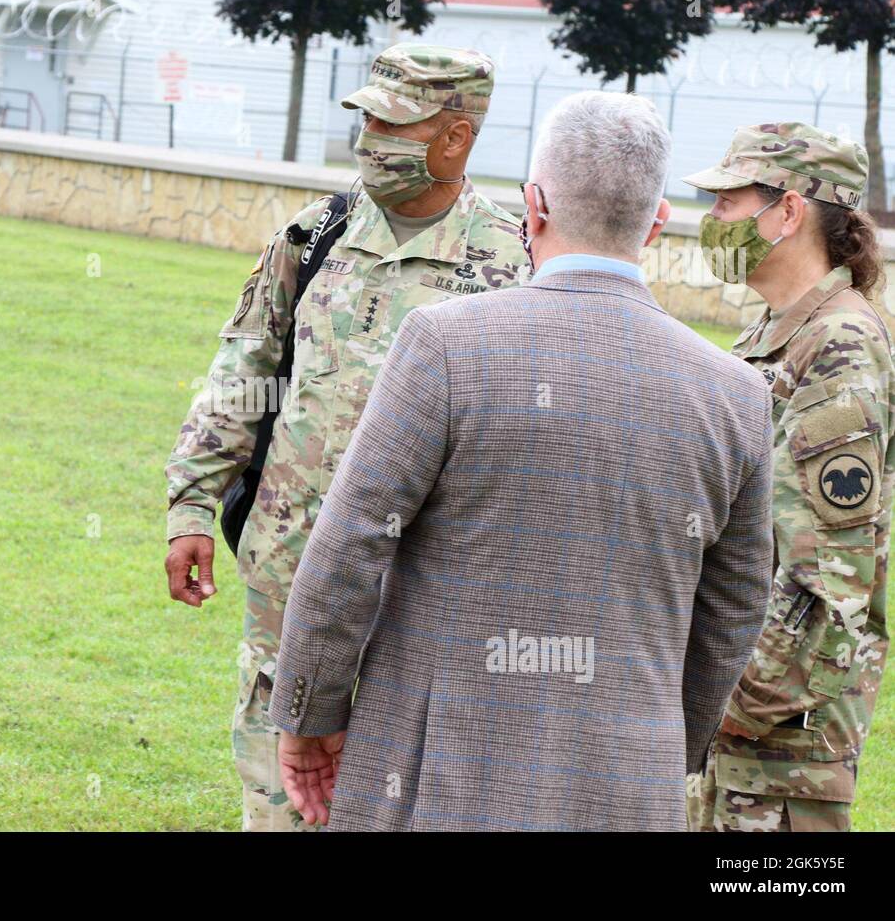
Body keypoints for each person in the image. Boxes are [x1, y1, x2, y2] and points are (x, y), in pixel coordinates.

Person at [269, 91, 775, 831]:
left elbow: (349, 545)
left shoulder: (447, 345)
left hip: (435, 782)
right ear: (658, 221)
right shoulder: (736, 394)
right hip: (628, 790)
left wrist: (309, 714)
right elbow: (734, 612)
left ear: (532, 207)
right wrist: (661, 747)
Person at [163, 43, 529, 831]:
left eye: (394, 124)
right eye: (364, 118)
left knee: (408, 796)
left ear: (455, 137)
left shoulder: (512, 261)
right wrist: (192, 504)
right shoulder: (314, 234)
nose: (370, 140)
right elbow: (244, 370)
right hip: (289, 582)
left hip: (424, 596)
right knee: (280, 797)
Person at [684, 123, 894, 832]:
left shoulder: (840, 347)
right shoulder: (780, 333)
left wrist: (727, 705)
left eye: (727, 203)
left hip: (782, 743)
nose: (711, 221)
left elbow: (824, 575)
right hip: (750, 732)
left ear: (788, 210)